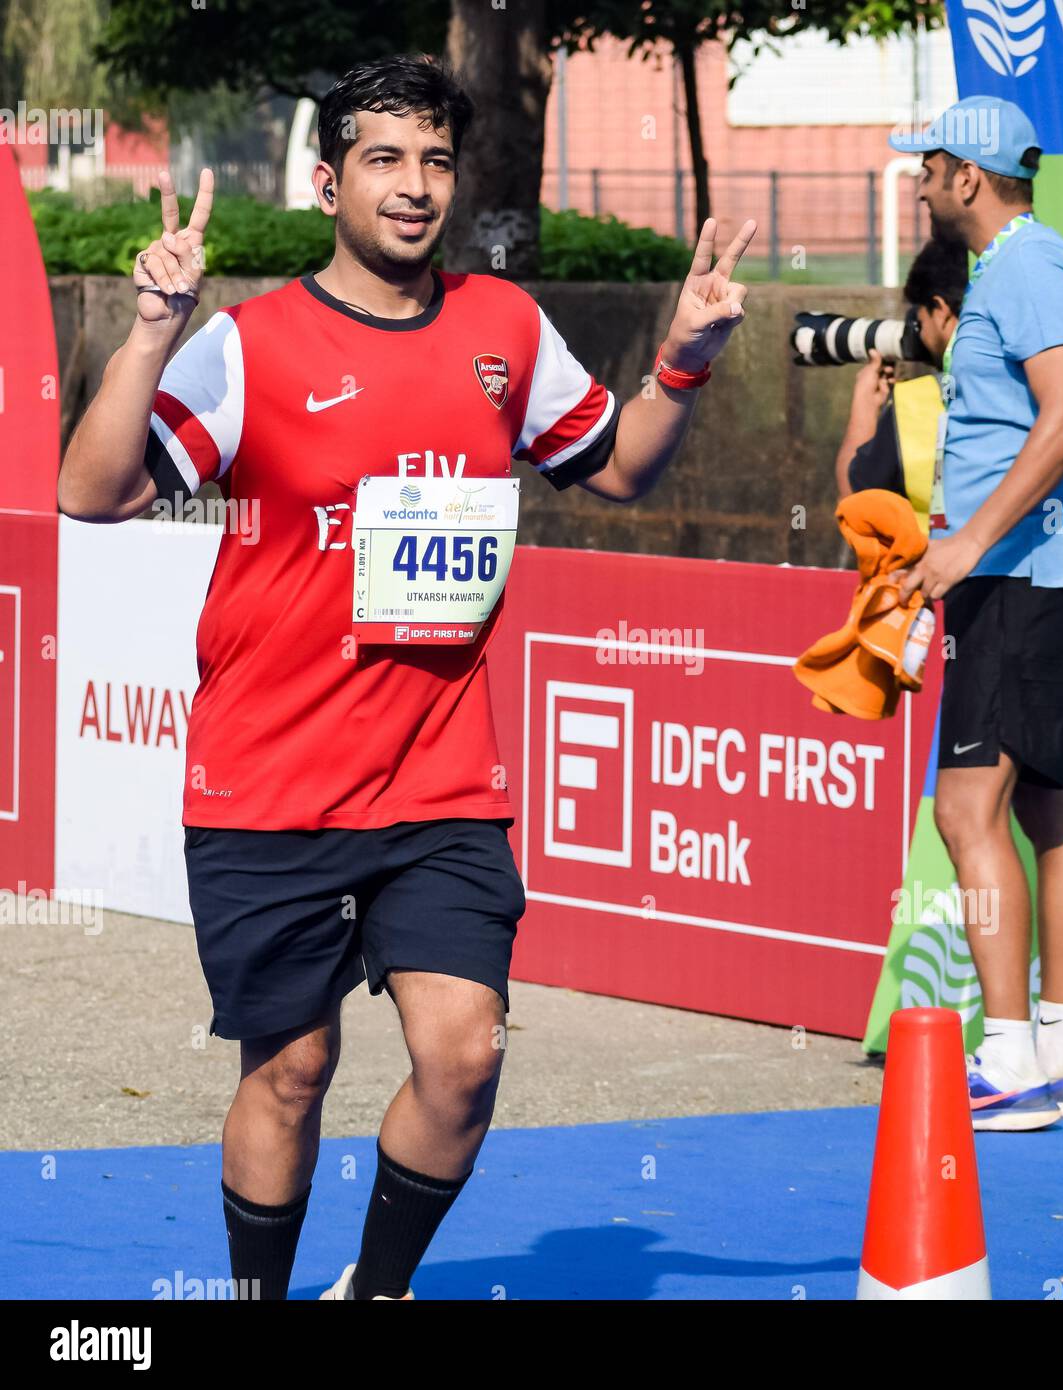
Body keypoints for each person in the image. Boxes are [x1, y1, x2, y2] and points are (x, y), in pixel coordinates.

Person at [57, 53, 756, 1299]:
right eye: (384, 158)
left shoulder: (503, 328)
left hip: (440, 781)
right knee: (290, 1069)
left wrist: (685, 357)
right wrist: (155, 329)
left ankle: (375, 1290)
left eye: (435, 160)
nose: (415, 185)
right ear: (328, 182)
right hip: (269, 782)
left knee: (463, 1058)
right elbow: (91, 490)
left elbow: (619, 465)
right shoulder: (251, 345)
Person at [892, 96, 1063, 1131]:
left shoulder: (1026, 266)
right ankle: (1056, 1058)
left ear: (967, 176)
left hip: (1023, 574)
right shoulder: (1012, 271)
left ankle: (1009, 1056)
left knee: (963, 809)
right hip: (1027, 576)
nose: (918, 182)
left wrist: (969, 543)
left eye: (926, 167)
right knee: (1043, 805)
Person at [834, 236, 967, 533]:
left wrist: (865, 407)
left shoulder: (916, 404)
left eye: (919, 321)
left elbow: (857, 509)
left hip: (936, 572)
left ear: (941, 310)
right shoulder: (1036, 384)